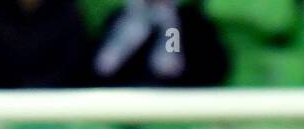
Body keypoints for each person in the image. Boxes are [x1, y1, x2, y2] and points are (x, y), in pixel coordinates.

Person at [91, 0, 229, 88]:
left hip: (175, 106)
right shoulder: (121, 19)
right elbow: (103, 67)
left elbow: (169, 67)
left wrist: (169, 29)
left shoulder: (190, 21)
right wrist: (125, 38)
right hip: (122, 104)